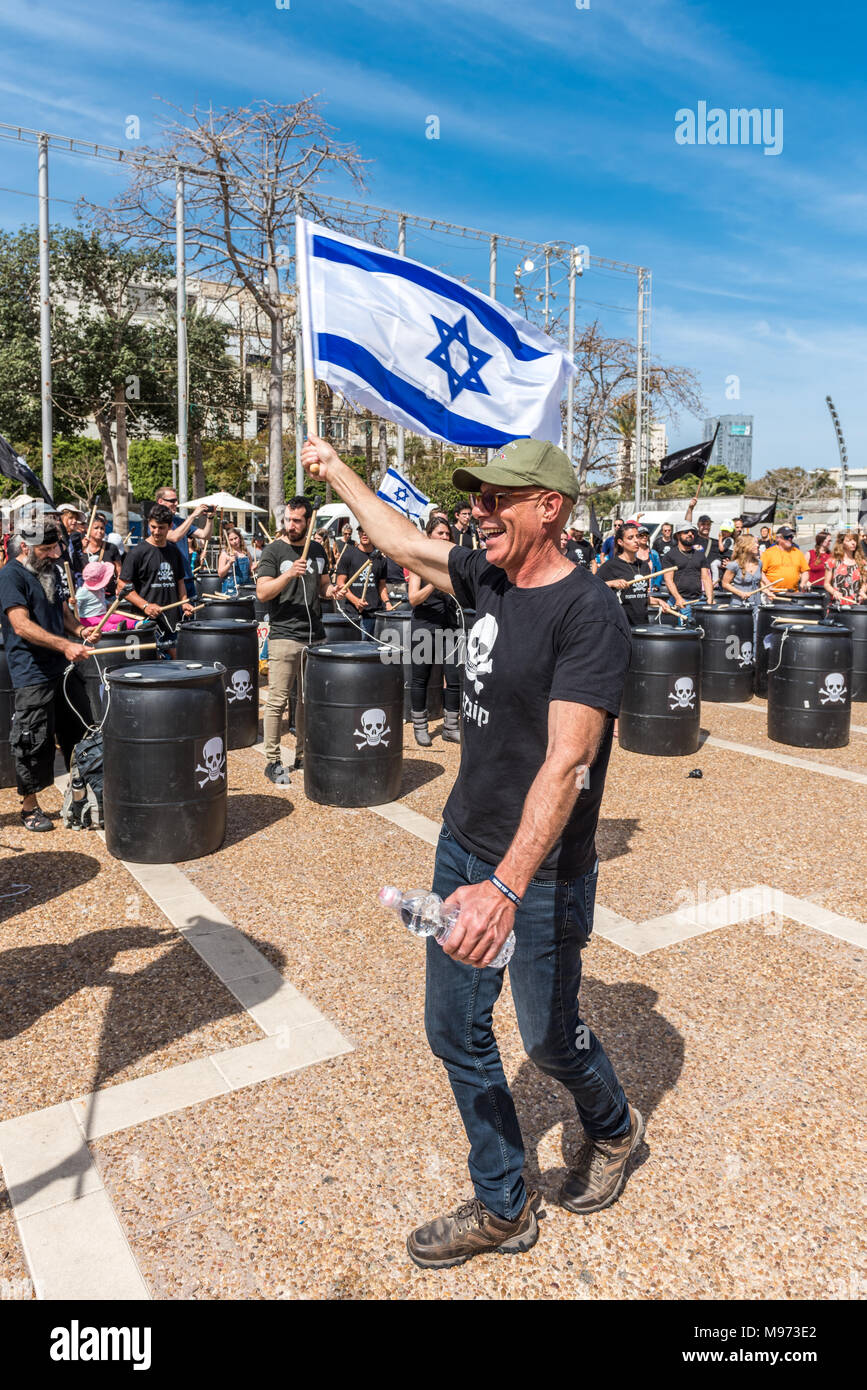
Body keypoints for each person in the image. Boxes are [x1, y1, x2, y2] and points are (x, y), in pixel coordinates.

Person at [302, 430, 641, 1270]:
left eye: (496, 499)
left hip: (538, 875)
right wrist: (335, 467)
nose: (477, 511)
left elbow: (566, 765)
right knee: (453, 1029)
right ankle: (503, 1205)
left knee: (549, 1039)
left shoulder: (588, 614)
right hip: (459, 845)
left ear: (548, 508)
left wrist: (504, 889)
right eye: (476, 498)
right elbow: (396, 539)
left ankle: (611, 1126)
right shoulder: (484, 573)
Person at [0, 525, 92, 831]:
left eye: (56, 548)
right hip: (32, 670)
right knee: (33, 741)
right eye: (46, 549)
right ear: (25, 547)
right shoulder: (11, 575)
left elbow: (62, 610)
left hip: (62, 669)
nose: (55, 554)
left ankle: (82, 796)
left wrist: (79, 631)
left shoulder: (51, 570)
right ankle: (29, 807)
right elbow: (21, 626)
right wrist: (65, 644)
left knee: (81, 732)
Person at [256, 496, 340, 785]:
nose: (291, 525)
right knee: (277, 700)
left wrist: (332, 591)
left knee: (306, 701)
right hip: (284, 636)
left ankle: (303, 755)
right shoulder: (273, 551)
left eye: (297, 521)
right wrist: (289, 574)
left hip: (314, 636)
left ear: (308, 521)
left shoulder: (317, 550)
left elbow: (322, 586)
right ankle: (272, 760)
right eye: (288, 520)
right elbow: (263, 593)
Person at [407, 516, 462, 746]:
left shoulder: (452, 563)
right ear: (430, 535)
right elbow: (413, 599)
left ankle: (451, 727)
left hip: (449, 625)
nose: (445, 537)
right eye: (440, 533)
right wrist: (433, 583)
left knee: (454, 678)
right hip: (424, 626)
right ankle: (420, 727)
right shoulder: (420, 563)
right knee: (421, 678)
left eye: (447, 533)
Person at [120, 503, 193, 648]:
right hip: (146, 621)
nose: (156, 532)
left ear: (170, 526)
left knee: (176, 663)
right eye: (153, 527)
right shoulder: (137, 552)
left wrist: (184, 602)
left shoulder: (174, 551)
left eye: (161, 528)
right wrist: (145, 605)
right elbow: (122, 585)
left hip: (172, 619)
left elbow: (180, 582)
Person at [598, 522, 674, 627]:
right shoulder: (610, 566)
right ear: (620, 542)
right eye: (630, 537)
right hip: (620, 624)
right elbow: (592, 589)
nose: (636, 540)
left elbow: (640, 597)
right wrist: (611, 583)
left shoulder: (644, 566)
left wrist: (658, 601)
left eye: (637, 536)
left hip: (642, 624)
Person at [154, 485, 215, 602]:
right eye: (172, 501)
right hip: (169, 580)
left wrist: (210, 518)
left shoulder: (180, 521)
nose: (176, 503)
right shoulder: (156, 523)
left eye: (176, 500)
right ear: (160, 502)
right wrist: (192, 516)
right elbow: (174, 537)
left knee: (190, 616)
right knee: (175, 616)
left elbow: (205, 535)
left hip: (187, 577)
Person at [336, 525, 394, 638]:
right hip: (354, 615)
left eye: (367, 531)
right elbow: (340, 583)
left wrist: (387, 603)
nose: (364, 534)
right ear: (358, 534)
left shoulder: (381, 560)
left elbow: (381, 586)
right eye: (361, 531)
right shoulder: (348, 554)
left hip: (375, 614)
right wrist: (356, 601)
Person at [663, 521, 713, 615]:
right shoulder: (670, 556)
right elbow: (668, 580)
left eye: (692, 532)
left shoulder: (700, 555)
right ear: (678, 535)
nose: (690, 534)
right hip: (680, 601)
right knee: (683, 629)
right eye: (686, 532)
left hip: (699, 600)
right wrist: (678, 598)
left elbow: (706, 578)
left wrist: (710, 599)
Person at [74, 512, 122, 595]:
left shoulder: (111, 548)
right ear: (88, 529)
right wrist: (81, 548)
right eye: (96, 528)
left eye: (102, 528)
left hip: (109, 595)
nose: (99, 531)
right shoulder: (80, 549)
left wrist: (119, 587)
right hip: (86, 595)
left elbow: (119, 570)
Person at [824, 532, 867, 606]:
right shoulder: (832, 561)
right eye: (849, 540)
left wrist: (862, 592)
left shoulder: (862, 563)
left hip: (856, 605)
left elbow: (864, 583)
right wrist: (834, 592)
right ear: (842, 543)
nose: (853, 543)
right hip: (837, 605)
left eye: (854, 540)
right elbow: (826, 584)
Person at [761, 526, 808, 594]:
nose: (789, 539)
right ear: (778, 538)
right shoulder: (768, 553)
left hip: (794, 593)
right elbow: (761, 572)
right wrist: (767, 583)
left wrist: (803, 583)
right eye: (786, 537)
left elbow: (805, 571)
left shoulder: (798, 552)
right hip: (773, 593)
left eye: (791, 537)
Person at [722, 533, 764, 606]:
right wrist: (740, 593)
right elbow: (725, 584)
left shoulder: (759, 563)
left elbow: (759, 583)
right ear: (745, 546)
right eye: (754, 543)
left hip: (757, 605)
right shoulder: (734, 565)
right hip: (739, 605)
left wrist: (767, 591)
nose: (757, 545)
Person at [217, 526, 255, 595]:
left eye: (236, 538)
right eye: (231, 540)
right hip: (231, 589)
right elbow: (220, 574)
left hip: (246, 587)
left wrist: (253, 569)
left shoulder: (246, 553)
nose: (234, 541)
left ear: (240, 538)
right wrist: (229, 563)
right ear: (228, 541)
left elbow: (250, 572)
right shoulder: (225, 554)